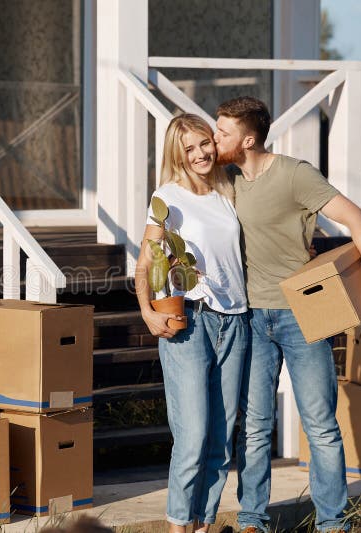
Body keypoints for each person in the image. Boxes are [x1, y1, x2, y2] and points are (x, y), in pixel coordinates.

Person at [212, 97, 361, 533]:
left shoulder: (294, 174)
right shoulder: (227, 179)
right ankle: (254, 519)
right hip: (251, 316)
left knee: (320, 424)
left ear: (248, 139)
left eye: (222, 133)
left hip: (303, 312)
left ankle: (332, 524)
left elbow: (357, 219)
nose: (214, 140)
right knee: (254, 427)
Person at [135, 114, 249, 533]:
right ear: (177, 154)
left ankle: (202, 524)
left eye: (205, 143)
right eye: (189, 148)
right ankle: (178, 526)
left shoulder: (228, 191)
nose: (200, 154)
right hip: (191, 323)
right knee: (193, 435)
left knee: (221, 439)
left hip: (235, 320)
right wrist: (148, 311)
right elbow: (146, 261)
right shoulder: (167, 197)